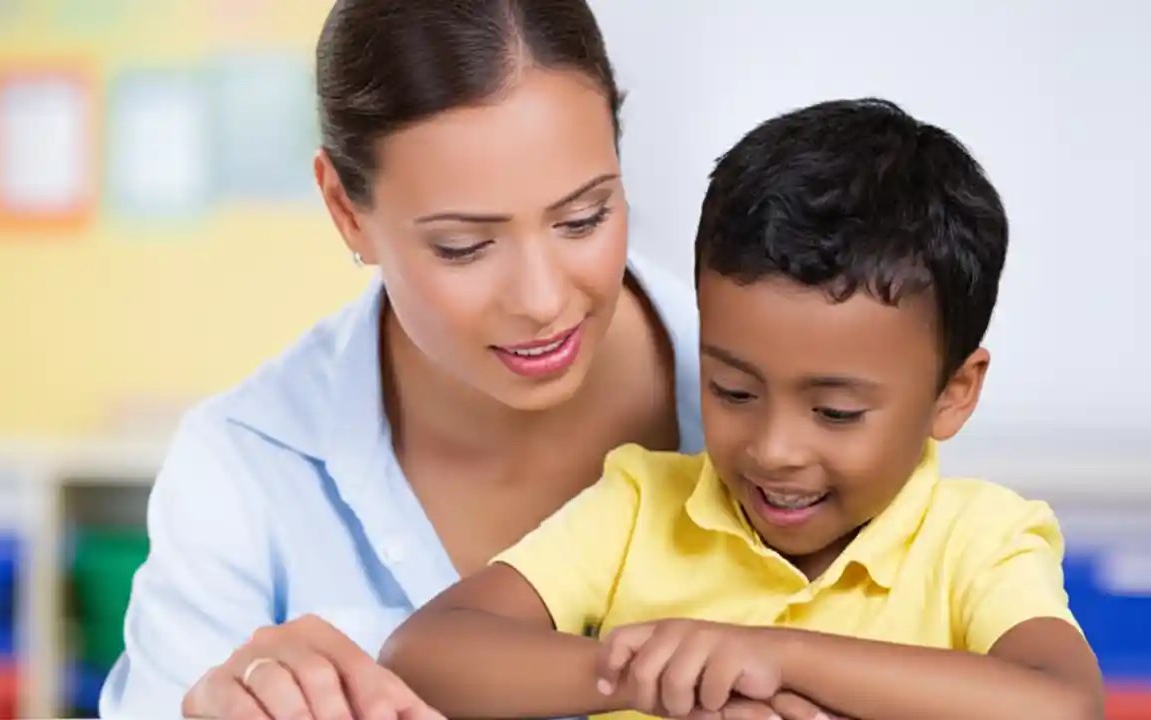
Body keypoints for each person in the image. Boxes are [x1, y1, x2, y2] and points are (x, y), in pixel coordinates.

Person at [380, 98, 1105, 720]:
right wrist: (659, 676)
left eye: (836, 412)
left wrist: (776, 655)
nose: (773, 449)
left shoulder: (981, 539)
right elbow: (425, 652)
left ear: (954, 394)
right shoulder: (636, 509)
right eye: (733, 391)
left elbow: (1060, 704)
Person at [96, 1, 724, 718]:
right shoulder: (244, 469)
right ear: (344, 208)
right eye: (464, 246)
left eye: (583, 218)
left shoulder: (803, 407)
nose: (543, 300)